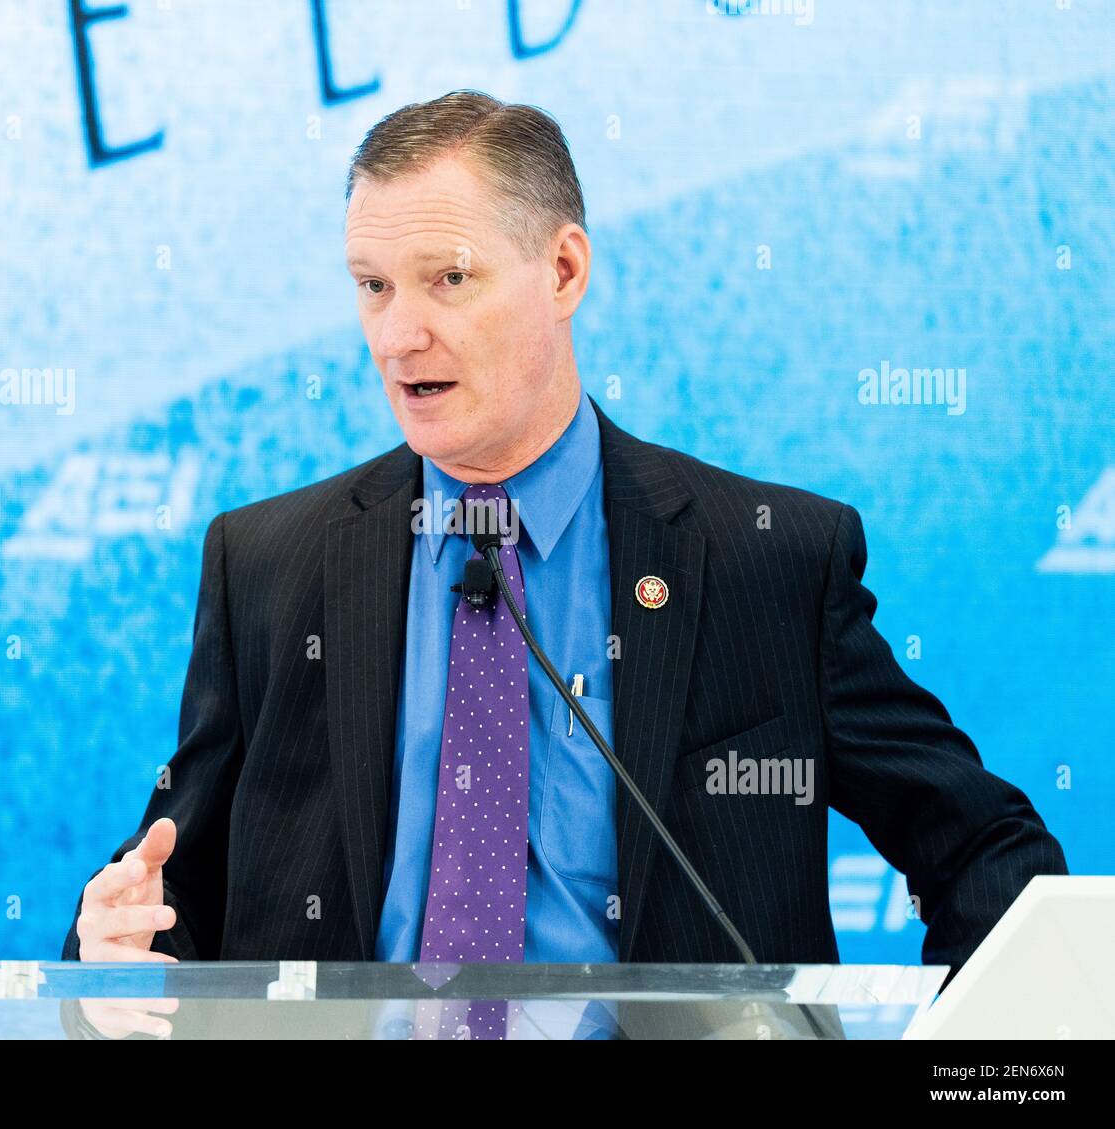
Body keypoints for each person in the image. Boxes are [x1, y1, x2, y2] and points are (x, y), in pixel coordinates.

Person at [63, 90, 1066, 1006]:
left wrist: (970, 1064)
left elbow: (984, 849)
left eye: (446, 279)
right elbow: (167, 886)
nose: (397, 334)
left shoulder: (765, 559)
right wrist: (107, 946)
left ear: (563, 270)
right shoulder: (270, 565)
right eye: (372, 287)